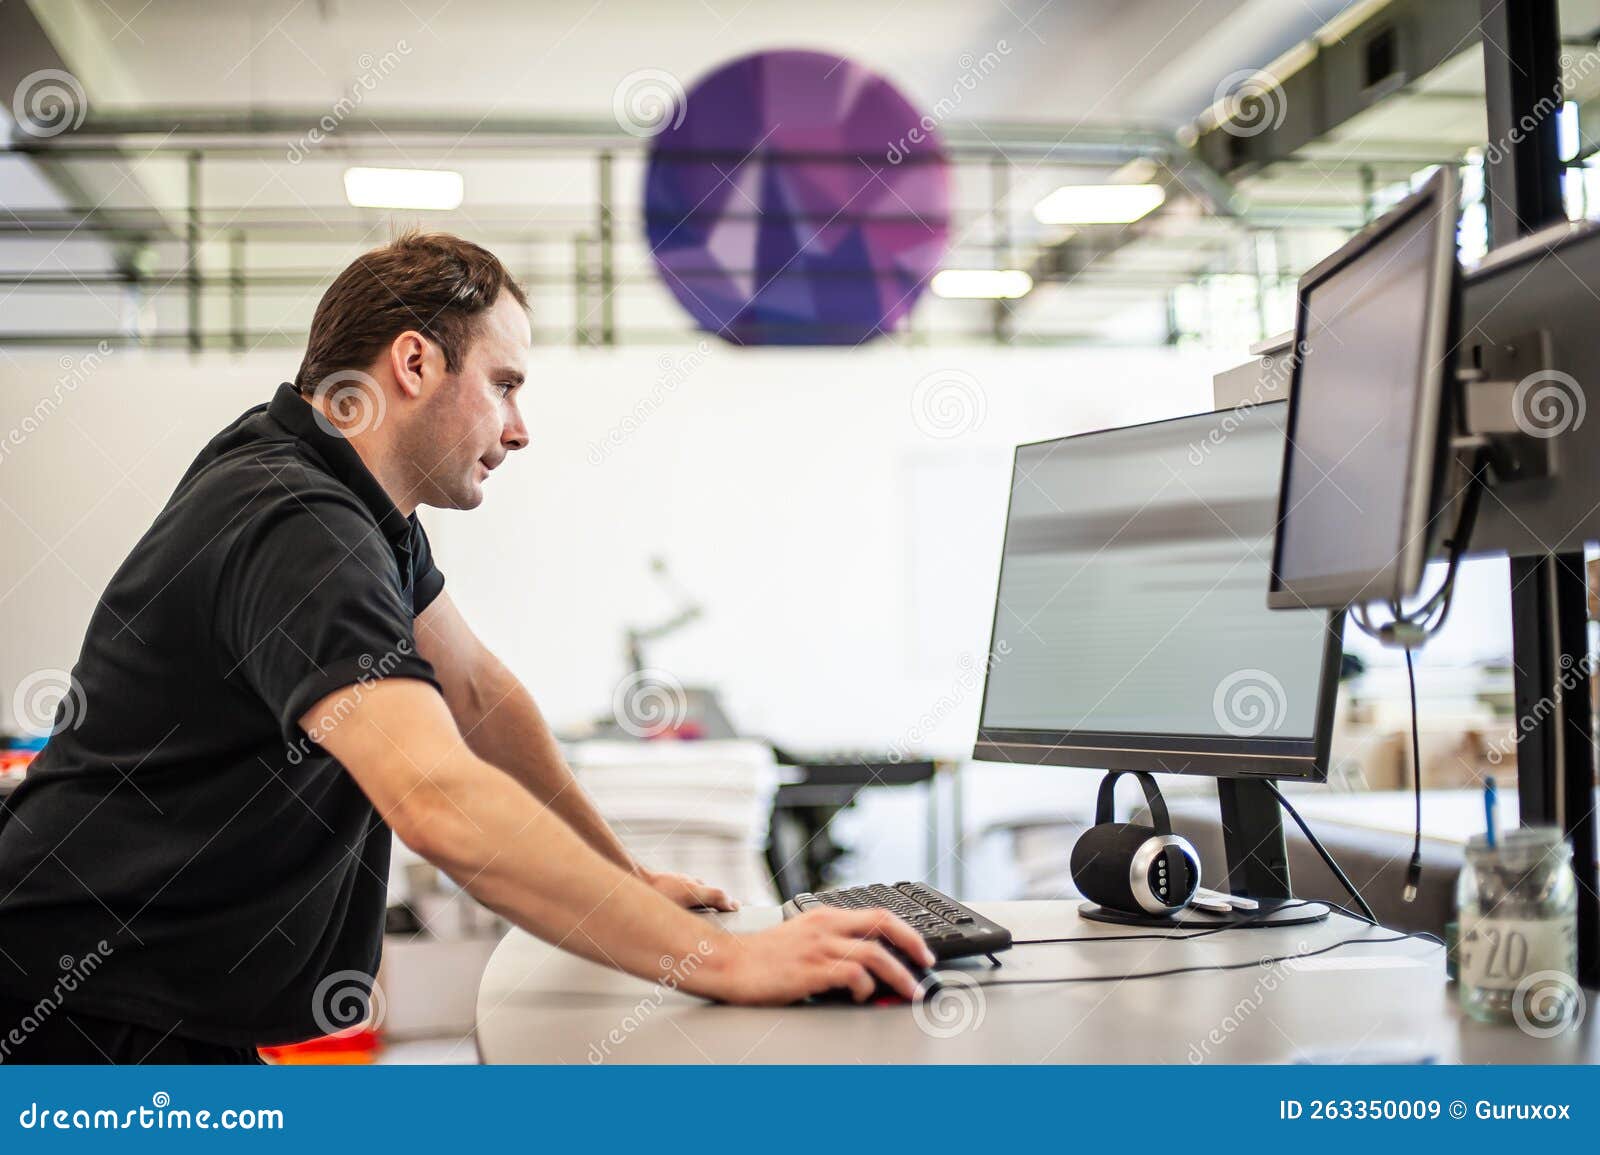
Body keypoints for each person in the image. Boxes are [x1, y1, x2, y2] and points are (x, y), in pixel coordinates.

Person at [0, 231, 931, 1064]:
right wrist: (721, 960)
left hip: (132, 997)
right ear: (413, 362)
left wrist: (621, 876)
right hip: (75, 1012)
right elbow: (436, 795)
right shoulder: (297, 520)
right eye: (505, 384)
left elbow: (480, 695)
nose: (519, 429)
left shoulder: (343, 496)